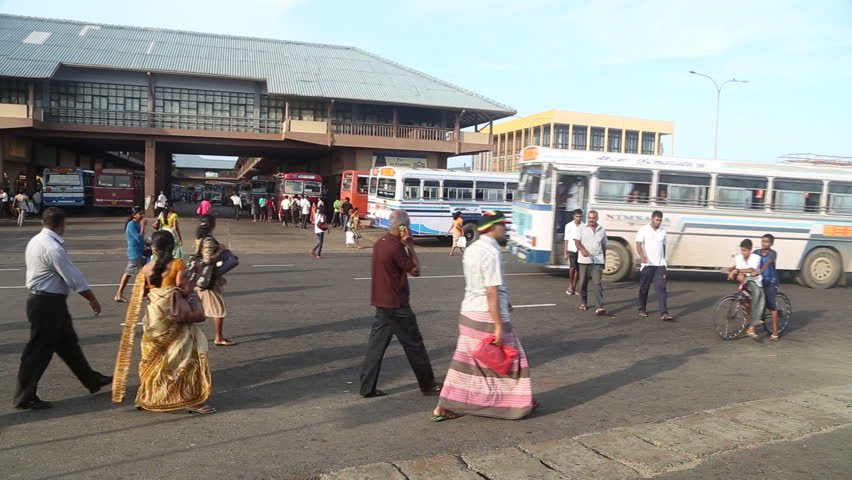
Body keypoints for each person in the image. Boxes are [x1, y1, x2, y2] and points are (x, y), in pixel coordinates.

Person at [432, 210, 535, 421]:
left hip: (468, 312)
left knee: (465, 363)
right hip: (487, 316)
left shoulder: (473, 248)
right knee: (513, 359)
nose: (505, 229)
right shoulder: (492, 252)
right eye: (502, 225)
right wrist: (498, 325)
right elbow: (491, 290)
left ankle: (444, 405)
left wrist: (505, 303)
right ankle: (518, 404)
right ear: (492, 227)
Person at [13, 208, 112, 409]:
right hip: (47, 303)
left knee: (68, 344)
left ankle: (91, 380)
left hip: (47, 301)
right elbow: (74, 278)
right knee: (39, 350)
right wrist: (92, 299)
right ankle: (25, 396)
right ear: (61, 225)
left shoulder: (36, 241)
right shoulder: (53, 248)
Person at [359, 209, 441, 398]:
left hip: (381, 301)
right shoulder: (396, 247)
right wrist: (410, 246)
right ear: (403, 227)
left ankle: (367, 387)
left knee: (376, 347)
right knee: (414, 345)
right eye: (408, 226)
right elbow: (415, 271)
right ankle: (427, 385)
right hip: (397, 304)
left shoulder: (380, 242)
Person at [134, 230, 215, 413]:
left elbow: (143, 294)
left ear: (154, 249)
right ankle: (189, 400)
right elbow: (185, 290)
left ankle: (147, 395)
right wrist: (195, 274)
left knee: (153, 357)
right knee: (182, 356)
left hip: (154, 317)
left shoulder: (146, 268)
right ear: (171, 247)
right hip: (174, 315)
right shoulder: (177, 264)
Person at [194, 214, 236, 347]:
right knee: (218, 308)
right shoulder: (208, 240)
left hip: (200, 277)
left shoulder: (199, 238)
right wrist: (220, 251)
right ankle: (219, 337)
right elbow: (207, 259)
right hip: (208, 279)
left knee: (198, 307)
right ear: (213, 225)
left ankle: (189, 334)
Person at [635, 210, 671, 321]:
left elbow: (663, 246)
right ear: (652, 218)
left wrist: (663, 260)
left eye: (660, 220)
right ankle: (642, 308)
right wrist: (642, 257)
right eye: (657, 220)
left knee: (661, 289)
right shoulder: (644, 230)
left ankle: (664, 313)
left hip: (660, 265)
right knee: (644, 288)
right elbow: (638, 244)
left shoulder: (663, 231)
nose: (658, 222)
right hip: (648, 264)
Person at [728, 239, 765, 340]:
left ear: (750, 250)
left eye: (745, 250)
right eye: (742, 250)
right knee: (744, 299)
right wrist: (731, 272)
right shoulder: (738, 258)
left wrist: (736, 271)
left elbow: (751, 270)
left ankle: (752, 327)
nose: (743, 252)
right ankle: (750, 316)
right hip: (745, 281)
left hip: (755, 281)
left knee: (757, 295)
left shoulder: (756, 258)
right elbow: (740, 272)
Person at [573, 210, 607, 315]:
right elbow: (577, 242)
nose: (591, 220)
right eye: (590, 218)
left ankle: (599, 306)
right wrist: (582, 250)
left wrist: (604, 260)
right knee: (583, 282)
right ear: (587, 218)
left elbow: (604, 245)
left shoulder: (602, 230)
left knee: (597, 284)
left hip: (598, 260)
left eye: (593, 218)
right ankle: (583, 302)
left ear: (597, 218)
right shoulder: (581, 228)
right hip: (584, 261)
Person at [114, 206, 146, 303]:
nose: (142, 215)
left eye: (142, 213)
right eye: (140, 214)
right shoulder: (131, 225)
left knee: (128, 273)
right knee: (142, 274)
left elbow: (142, 239)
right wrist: (144, 226)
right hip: (135, 253)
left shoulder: (137, 224)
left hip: (139, 251)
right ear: (134, 215)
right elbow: (138, 238)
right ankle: (138, 294)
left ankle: (119, 294)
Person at [755, 234, 780, 341]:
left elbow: (768, 262)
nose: (764, 243)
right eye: (763, 241)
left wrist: (760, 270)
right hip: (759, 280)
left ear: (771, 244)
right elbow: (748, 259)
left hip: (771, 281)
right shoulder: (756, 252)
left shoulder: (773, 253)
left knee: (771, 305)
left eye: (766, 242)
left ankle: (775, 333)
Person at [562, 209, 584, 295]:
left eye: (580, 216)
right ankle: (571, 285)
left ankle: (574, 287)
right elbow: (566, 239)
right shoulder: (569, 225)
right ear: (573, 216)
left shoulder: (584, 226)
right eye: (577, 216)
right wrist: (565, 252)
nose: (578, 218)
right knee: (572, 268)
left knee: (578, 269)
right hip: (572, 249)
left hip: (580, 249)